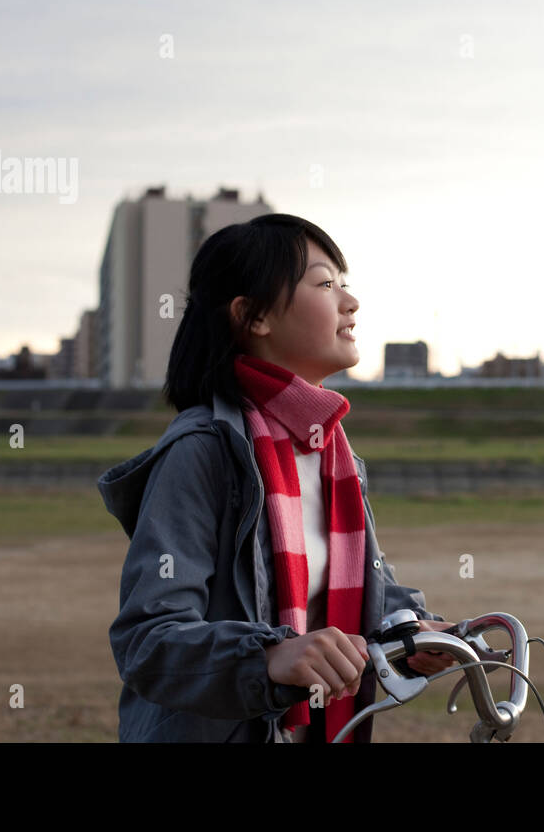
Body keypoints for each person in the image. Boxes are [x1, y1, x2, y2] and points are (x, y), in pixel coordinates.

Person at [100, 213, 456, 742]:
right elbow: (148, 642)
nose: (350, 302)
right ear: (254, 316)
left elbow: (360, 599)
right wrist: (268, 656)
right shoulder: (203, 451)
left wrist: (414, 630)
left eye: (346, 284)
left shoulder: (331, 452)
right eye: (325, 284)